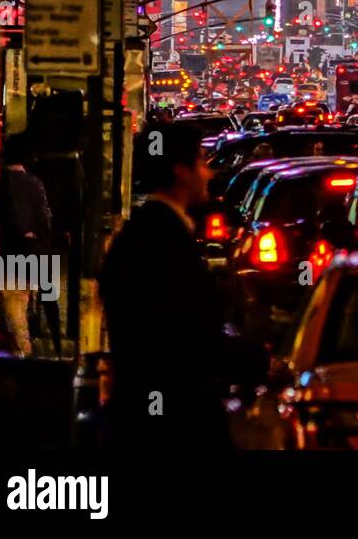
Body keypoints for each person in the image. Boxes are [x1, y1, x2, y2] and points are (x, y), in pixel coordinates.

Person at [101, 121, 257, 448]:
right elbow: (186, 334)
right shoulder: (161, 240)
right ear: (180, 171)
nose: (209, 173)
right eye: (201, 161)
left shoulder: (147, 232)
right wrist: (255, 361)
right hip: (173, 419)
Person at [0, 133, 53, 357]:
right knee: (17, 312)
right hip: (24, 258)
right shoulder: (33, 185)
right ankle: (22, 358)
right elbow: (44, 224)